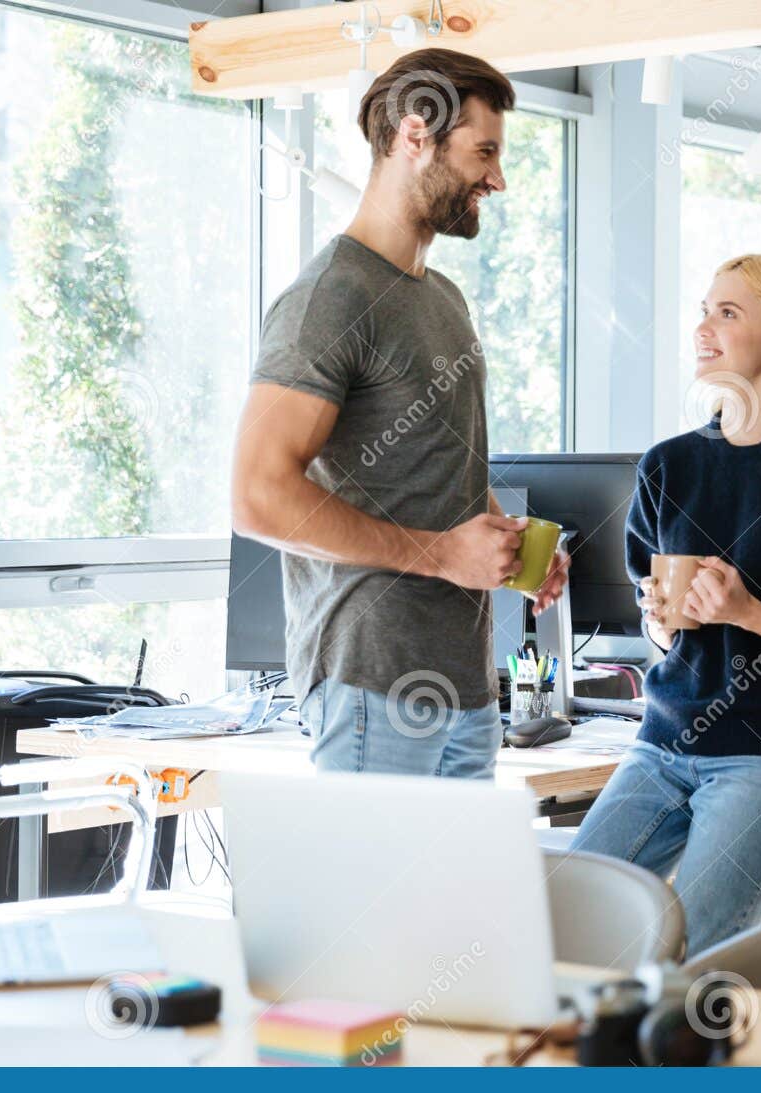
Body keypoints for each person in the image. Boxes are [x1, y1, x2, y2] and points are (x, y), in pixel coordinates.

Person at [231, 49, 567, 777]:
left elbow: (438, 473)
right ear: (416, 135)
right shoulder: (330, 298)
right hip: (371, 685)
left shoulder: (443, 298)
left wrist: (506, 547)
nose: (497, 179)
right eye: (484, 152)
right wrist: (443, 554)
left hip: (468, 689)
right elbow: (257, 496)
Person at [570, 255, 761, 954]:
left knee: (688, 953)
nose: (703, 328)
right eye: (704, 311)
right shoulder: (669, 463)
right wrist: (659, 618)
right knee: (569, 925)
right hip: (664, 743)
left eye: (727, 313)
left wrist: (749, 613)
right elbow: (659, 628)